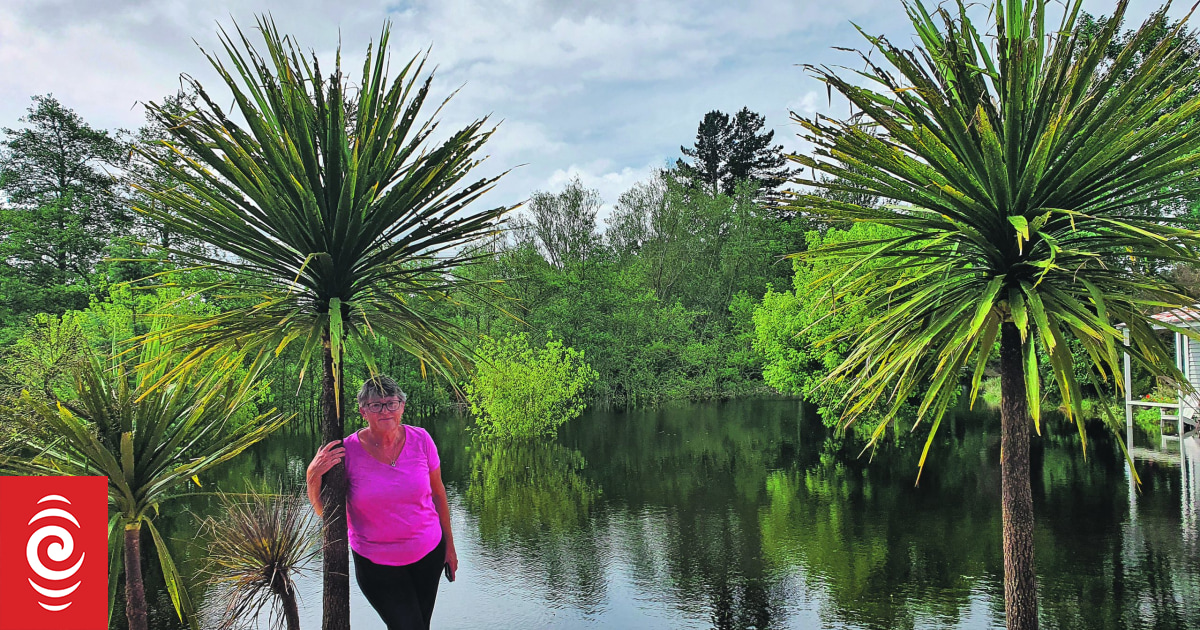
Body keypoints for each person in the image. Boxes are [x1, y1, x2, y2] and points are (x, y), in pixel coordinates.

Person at [306, 375, 458, 630]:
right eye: (376, 405)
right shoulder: (347, 452)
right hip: (377, 563)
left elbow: (439, 493)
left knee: (420, 624)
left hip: (428, 554)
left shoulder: (422, 440)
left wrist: (449, 548)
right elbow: (327, 514)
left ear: (403, 406)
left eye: (391, 403)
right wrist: (312, 476)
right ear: (363, 411)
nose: (385, 410)